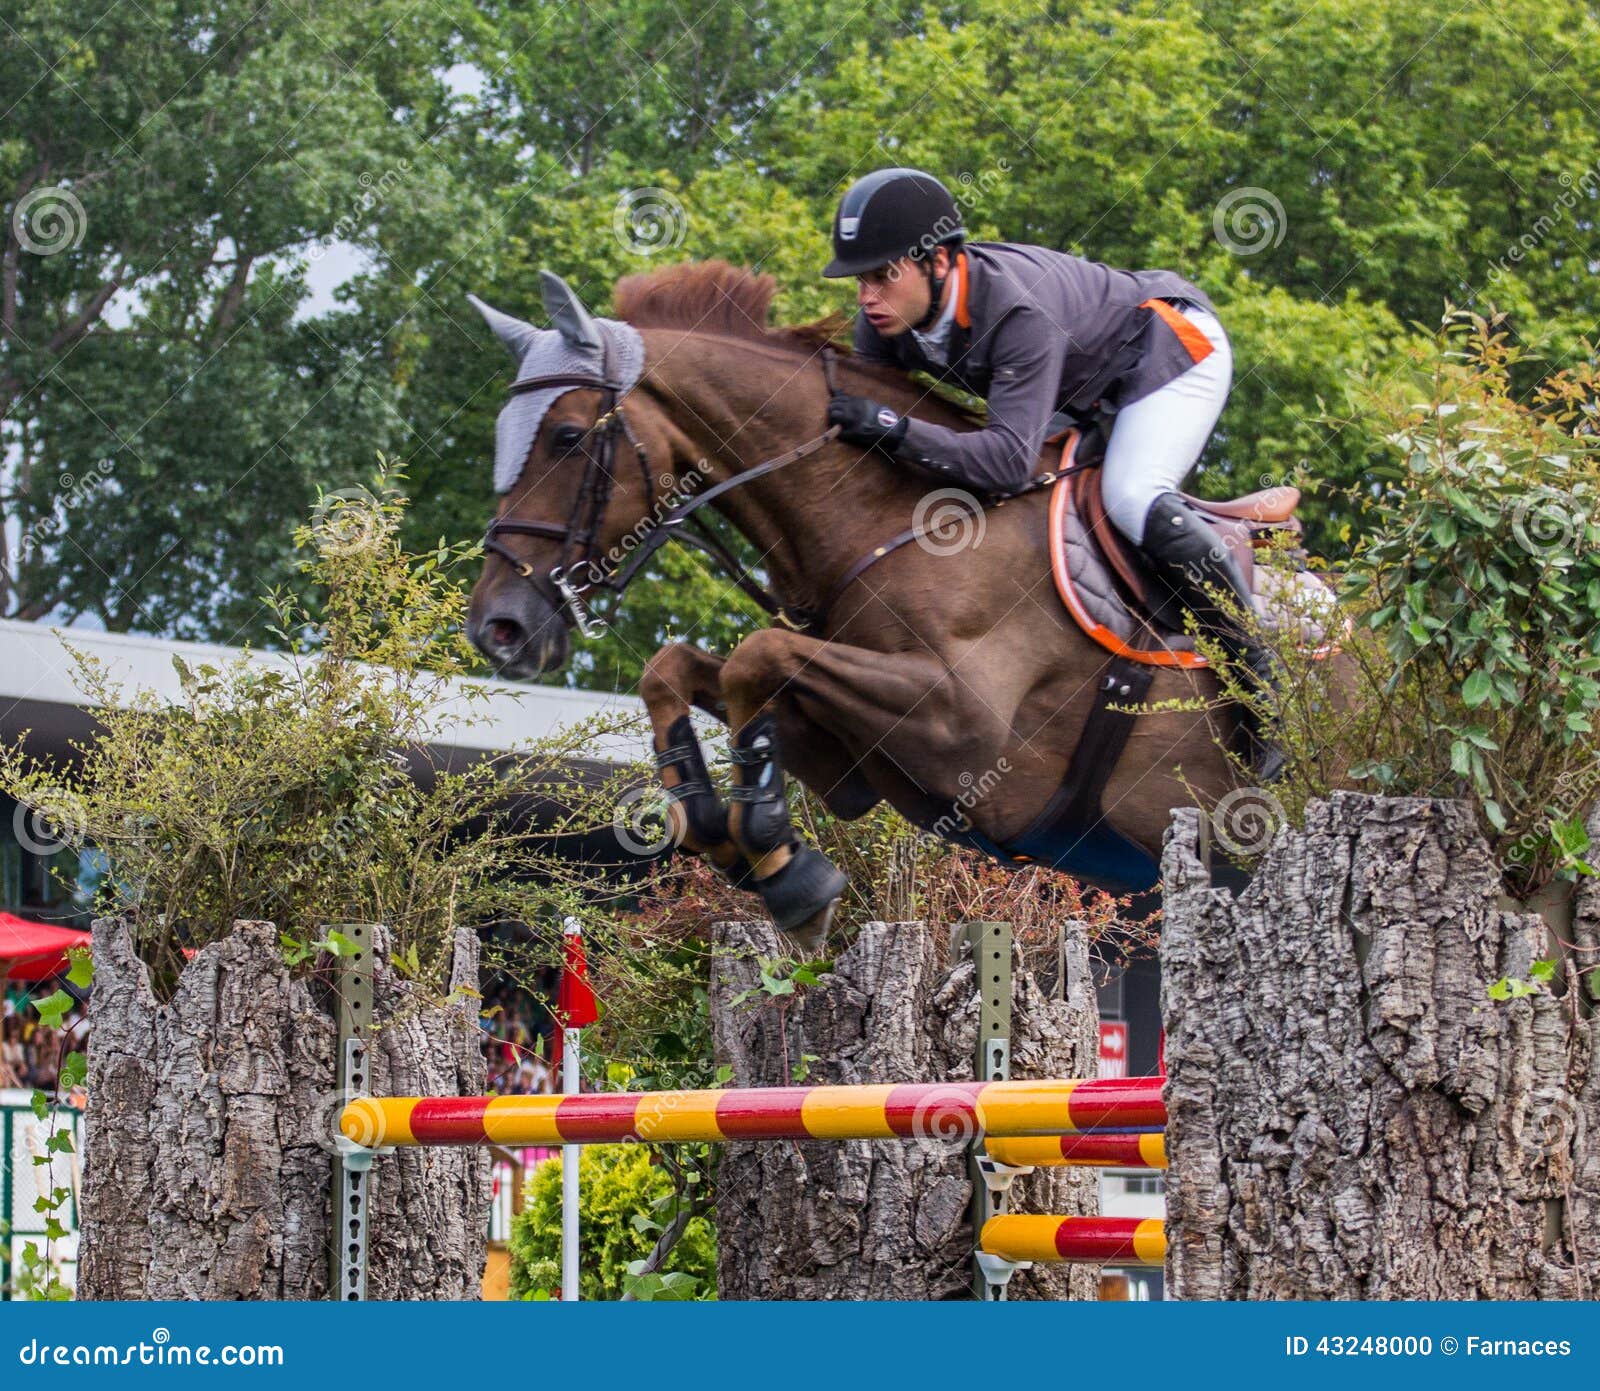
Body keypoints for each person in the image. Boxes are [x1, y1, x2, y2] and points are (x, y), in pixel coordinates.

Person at [821, 167, 1283, 781]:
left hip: (1169, 349)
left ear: (938, 261)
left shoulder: (1016, 311)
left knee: (1131, 496)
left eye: (883, 276)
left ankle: (1261, 681)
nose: (866, 297)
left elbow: (1006, 463)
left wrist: (896, 429)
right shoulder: (886, 321)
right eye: (860, 279)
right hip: (1080, 382)